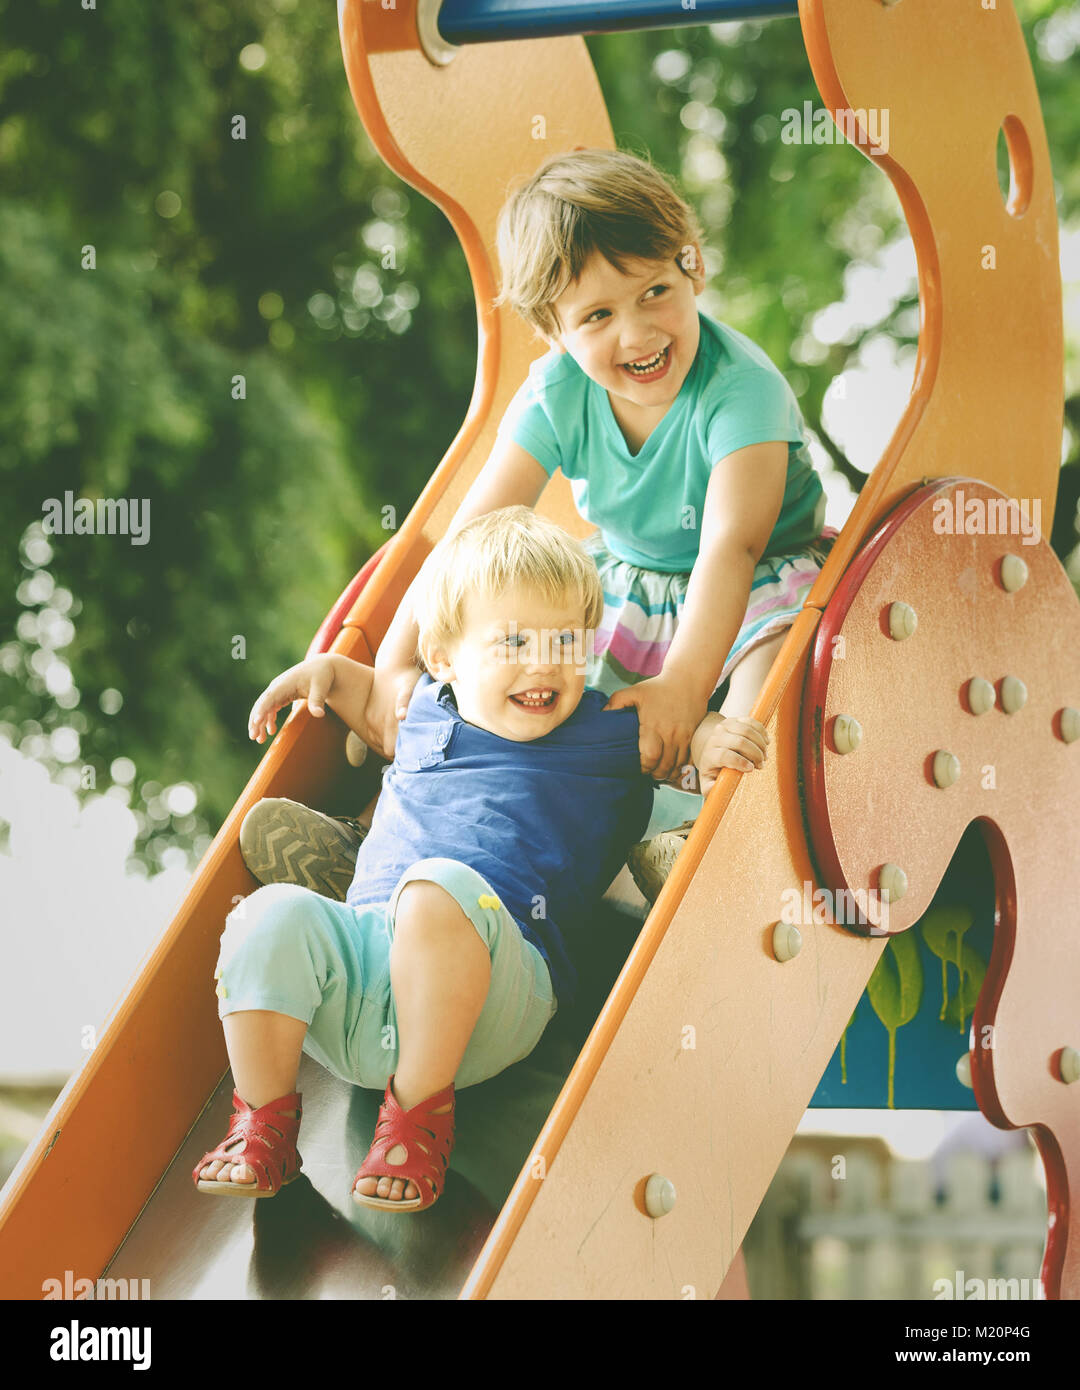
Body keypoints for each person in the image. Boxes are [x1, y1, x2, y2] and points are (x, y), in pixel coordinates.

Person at [240, 144, 833, 902]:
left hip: (761, 579)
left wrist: (685, 689)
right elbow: (470, 538)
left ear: (693, 268)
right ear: (553, 330)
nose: (638, 333)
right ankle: (381, 837)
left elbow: (733, 544)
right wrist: (399, 662)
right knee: (524, 676)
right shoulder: (557, 394)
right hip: (631, 583)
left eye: (655, 290)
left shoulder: (740, 388)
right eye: (597, 315)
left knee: (767, 671)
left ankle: (704, 833)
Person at [193, 508, 767, 1211]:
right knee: (264, 916)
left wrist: (712, 742)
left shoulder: (604, 730)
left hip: (498, 988)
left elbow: (685, 733)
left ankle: (417, 1121)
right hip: (366, 980)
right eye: (514, 640)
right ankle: (264, 1124)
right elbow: (359, 687)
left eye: (566, 640)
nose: (543, 661)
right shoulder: (424, 709)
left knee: (436, 889)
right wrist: (318, 675)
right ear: (444, 658)